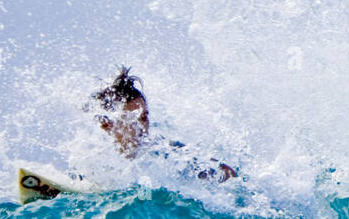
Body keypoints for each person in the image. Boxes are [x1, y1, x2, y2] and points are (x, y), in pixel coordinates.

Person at [91, 67, 238, 182]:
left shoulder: (166, 154)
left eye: (143, 118)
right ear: (108, 125)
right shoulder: (93, 166)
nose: (142, 127)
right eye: (132, 120)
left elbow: (228, 173)